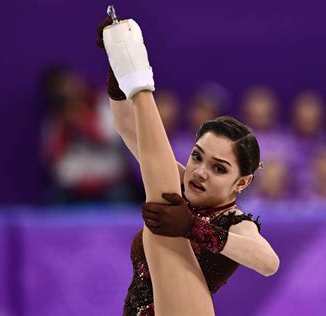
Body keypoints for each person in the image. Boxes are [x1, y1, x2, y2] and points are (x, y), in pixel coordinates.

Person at [97, 12, 279, 315]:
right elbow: (132, 130)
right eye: (197, 156)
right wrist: (118, 71)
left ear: (242, 181)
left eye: (219, 168)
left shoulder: (237, 223)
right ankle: (135, 76)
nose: (200, 172)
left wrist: (195, 228)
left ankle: (140, 78)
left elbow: (269, 263)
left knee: (165, 204)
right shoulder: (176, 181)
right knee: (164, 189)